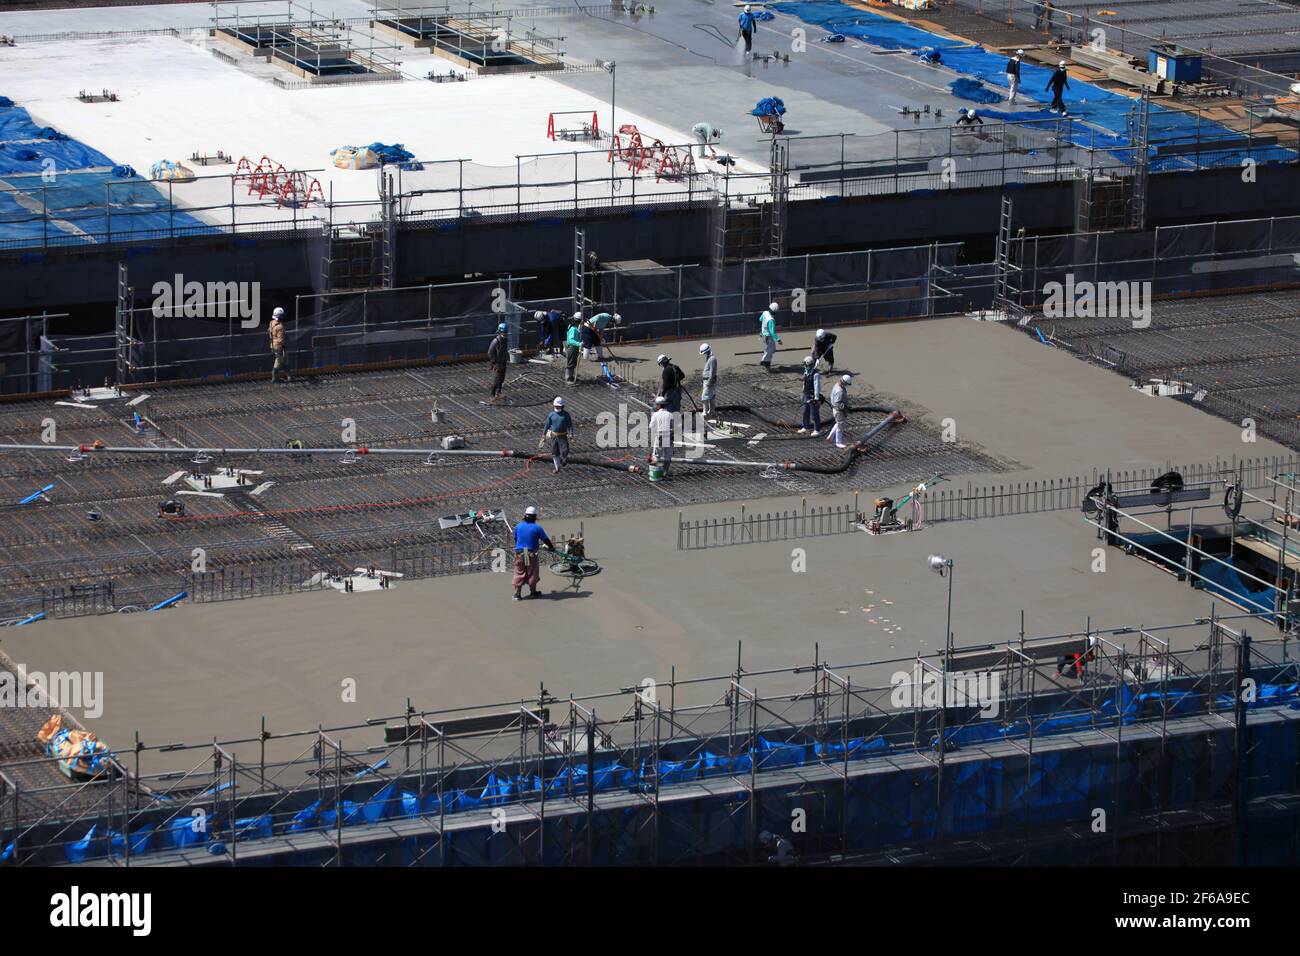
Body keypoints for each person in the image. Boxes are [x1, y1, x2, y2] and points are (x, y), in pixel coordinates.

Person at [512, 505, 556, 600]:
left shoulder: (518, 526)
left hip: (520, 553)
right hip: (531, 554)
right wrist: (551, 547)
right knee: (532, 572)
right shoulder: (537, 528)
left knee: (519, 572)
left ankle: (517, 594)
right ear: (534, 517)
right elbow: (546, 540)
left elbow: (516, 538)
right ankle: (533, 592)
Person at [540, 396, 574, 473]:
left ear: (562, 406)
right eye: (556, 405)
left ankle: (564, 460)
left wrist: (571, 434)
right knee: (554, 453)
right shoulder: (551, 415)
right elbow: (547, 425)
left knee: (565, 450)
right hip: (554, 436)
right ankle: (557, 468)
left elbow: (570, 425)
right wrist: (543, 434)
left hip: (563, 436)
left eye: (558, 406)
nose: (557, 407)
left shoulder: (566, 415)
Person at [649, 395, 675, 476]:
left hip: (660, 436)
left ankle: (657, 472)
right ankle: (665, 472)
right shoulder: (670, 414)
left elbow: (651, 426)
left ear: (659, 405)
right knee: (668, 456)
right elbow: (673, 426)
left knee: (657, 455)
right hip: (669, 436)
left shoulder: (655, 415)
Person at [827, 373, 851, 449]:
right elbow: (838, 403)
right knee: (840, 425)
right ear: (844, 382)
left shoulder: (836, 385)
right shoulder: (839, 391)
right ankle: (838, 442)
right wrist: (845, 408)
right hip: (838, 411)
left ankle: (830, 437)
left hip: (835, 409)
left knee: (838, 423)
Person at [799, 355, 822, 436]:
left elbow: (817, 386)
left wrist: (816, 398)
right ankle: (805, 426)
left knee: (814, 412)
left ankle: (817, 429)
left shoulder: (816, 374)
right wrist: (803, 392)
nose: (805, 367)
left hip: (812, 395)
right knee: (805, 411)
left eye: (806, 365)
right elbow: (804, 383)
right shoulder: (806, 372)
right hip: (806, 394)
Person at [487, 322, 509, 400]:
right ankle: (492, 395)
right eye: (505, 332)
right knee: (497, 379)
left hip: (503, 362)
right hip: (498, 363)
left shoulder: (505, 339)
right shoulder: (496, 341)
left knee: (502, 378)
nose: (506, 334)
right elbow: (490, 352)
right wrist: (494, 362)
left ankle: (498, 392)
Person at [268, 307, 289, 383]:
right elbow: (281, 340)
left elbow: (270, 333)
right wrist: (283, 348)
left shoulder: (271, 323)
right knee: (279, 361)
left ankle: (289, 376)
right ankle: (275, 378)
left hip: (273, 344)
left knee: (284, 359)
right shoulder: (280, 326)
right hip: (279, 346)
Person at [759, 302, 781, 370]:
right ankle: (765, 363)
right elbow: (772, 332)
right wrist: (778, 339)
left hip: (763, 335)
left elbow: (760, 319)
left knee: (771, 349)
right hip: (768, 336)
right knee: (770, 350)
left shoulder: (765, 312)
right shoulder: (771, 320)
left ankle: (765, 361)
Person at [699, 342, 718, 418]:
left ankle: (705, 412)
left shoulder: (712, 359)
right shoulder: (709, 357)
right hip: (707, 380)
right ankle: (712, 411)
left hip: (709, 381)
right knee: (711, 396)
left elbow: (712, 372)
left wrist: (709, 382)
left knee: (704, 396)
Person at [563, 315, 582, 384]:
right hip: (572, 347)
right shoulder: (573, 329)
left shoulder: (573, 327)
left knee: (573, 363)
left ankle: (571, 377)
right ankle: (568, 379)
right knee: (570, 363)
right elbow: (570, 340)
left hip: (574, 348)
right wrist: (579, 344)